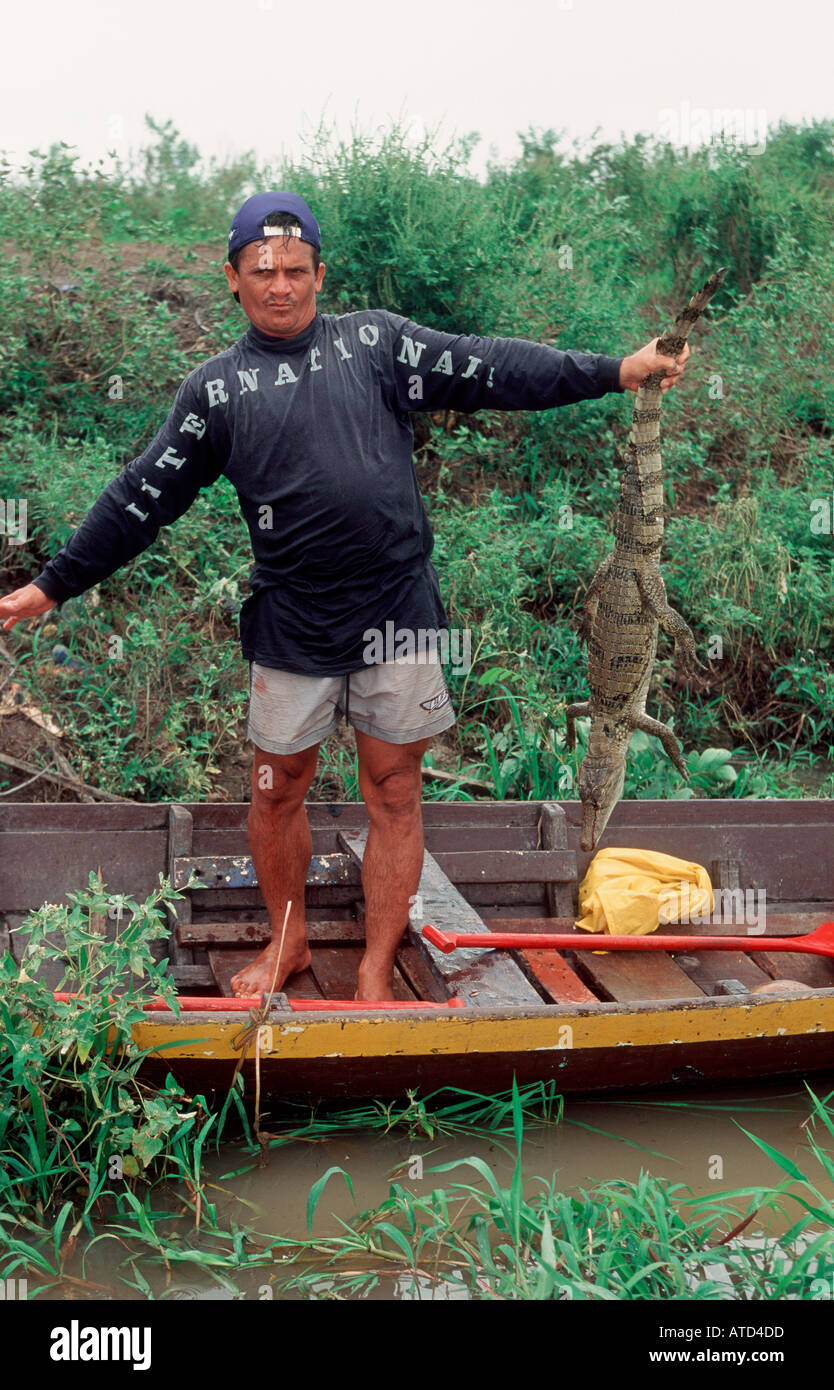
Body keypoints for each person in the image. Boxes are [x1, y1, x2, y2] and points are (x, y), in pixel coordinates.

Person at [0, 191, 690, 1001]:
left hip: (396, 609)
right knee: (277, 785)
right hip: (292, 621)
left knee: (395, 789)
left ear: (320, 275)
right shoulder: (215, 392)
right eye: (263, 271)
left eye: (297, 270)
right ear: (232, 279)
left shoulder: (376, 343)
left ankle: (374, 964)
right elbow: (139, 497)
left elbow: (493, 368)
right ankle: (288, 940)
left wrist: (617, 371)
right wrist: (51, 586)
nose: (281, 286)